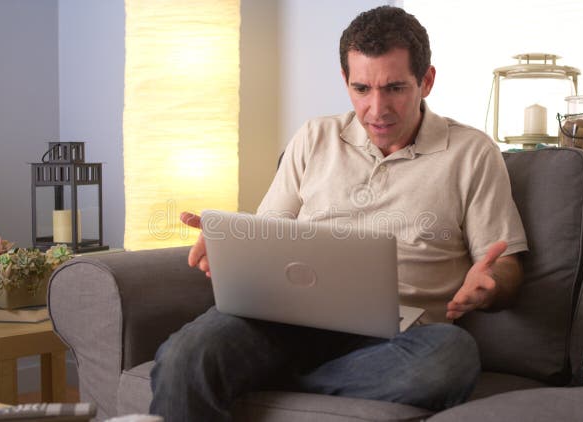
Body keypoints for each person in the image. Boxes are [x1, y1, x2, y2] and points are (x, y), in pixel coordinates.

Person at [150, 6, 528, 421]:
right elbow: (270, 235)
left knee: (452, 357)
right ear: (345, 81)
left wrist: (489, 284)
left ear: (427, 80)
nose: (377, 108)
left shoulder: (472, 153)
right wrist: (229, 249)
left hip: (396, 341)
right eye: (362, 88)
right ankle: (285, 369)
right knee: (186, 353)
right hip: (286, 319)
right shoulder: (314, 137)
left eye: (395, 88)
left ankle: (282, 378)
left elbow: (505, 264)